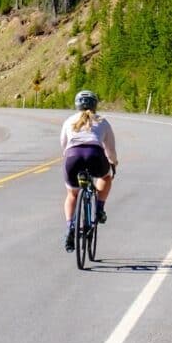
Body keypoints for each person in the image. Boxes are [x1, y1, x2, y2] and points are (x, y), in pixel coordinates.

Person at [60, 89, 117, 250]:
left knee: (72, 194)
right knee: (106, 177)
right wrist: (114, 163)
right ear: (95, 105)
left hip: (73, 157)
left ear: (76, 105)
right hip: (95, 155)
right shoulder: (102, 121)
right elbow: (110, 150)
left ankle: (71, 226)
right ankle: (99, 208)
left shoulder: (69, 121)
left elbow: (64, 145)